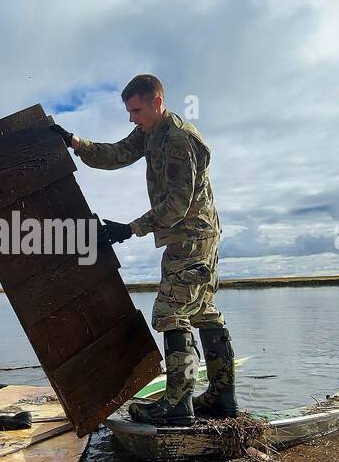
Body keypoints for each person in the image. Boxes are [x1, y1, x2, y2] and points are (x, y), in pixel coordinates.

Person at [52, 74, 234, 427]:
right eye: (129, 112)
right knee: (203, 312)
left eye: (136, 110)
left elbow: (177, 205)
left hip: (192, 236)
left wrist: (129, 229)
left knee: (170, 312)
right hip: (191, 236)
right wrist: (74, 142)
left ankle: (178, 404)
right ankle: (222, 397)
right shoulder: (151, 132)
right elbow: (119, 154)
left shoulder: (180, 139)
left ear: (157, 101)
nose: (132, 118)